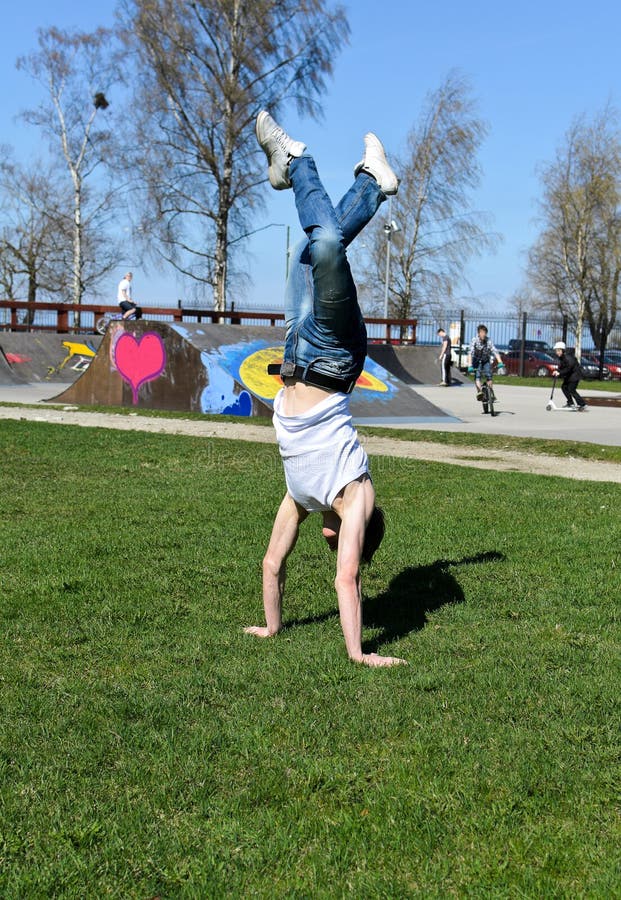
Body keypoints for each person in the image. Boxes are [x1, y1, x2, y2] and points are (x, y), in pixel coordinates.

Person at [244, 111, 406, 668]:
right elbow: (349, 579)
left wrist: (271, 626)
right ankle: (297, 161)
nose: (331, 543)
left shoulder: (302, 497)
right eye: (339, 540)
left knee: (312, 251)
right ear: (354, 532)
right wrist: (359, 654)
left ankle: (371, 183)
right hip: (335, 356)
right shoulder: (357, 496)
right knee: (328, 246)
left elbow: (271, 563)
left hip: (295, 346)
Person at [468, 324, 505, 400]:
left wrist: (500, 362)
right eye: (481, 332)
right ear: (478, 333)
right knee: (477, 376)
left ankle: (491, 393)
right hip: (476, 361)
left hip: (486, 361)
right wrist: (470, 365)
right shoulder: (474, 340)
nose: (483, 334)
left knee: (489, 376)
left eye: (484, 332)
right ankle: (479, 392)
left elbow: (495, 351)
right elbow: (470, 353)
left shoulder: (489, 341)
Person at [553, 341, 586, 410]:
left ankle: (582, 404)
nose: (557, 352)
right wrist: (557, 371)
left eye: (559, 350)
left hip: (575, 375)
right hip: (570, 376)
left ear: (563, 350)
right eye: (556, 351)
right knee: (564, 387)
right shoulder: (562, 357)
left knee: (571, 389)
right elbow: (563, 367)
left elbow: (569, 368)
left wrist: (560, 373)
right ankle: (570, 403)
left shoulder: (568, 357)